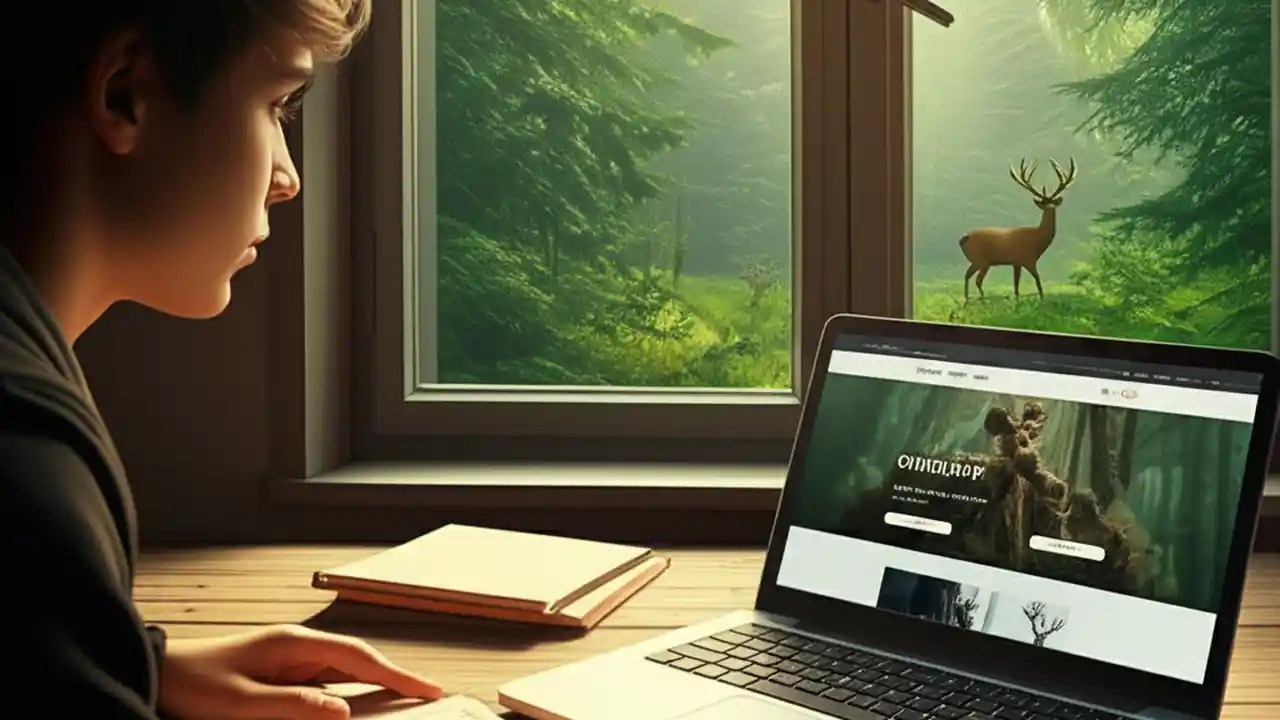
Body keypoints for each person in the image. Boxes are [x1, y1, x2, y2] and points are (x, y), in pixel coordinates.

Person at [0, 2, 443, 718]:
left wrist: (128, 663)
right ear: (123, 95)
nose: (287, 176)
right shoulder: (22, 455)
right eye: (276, 105)